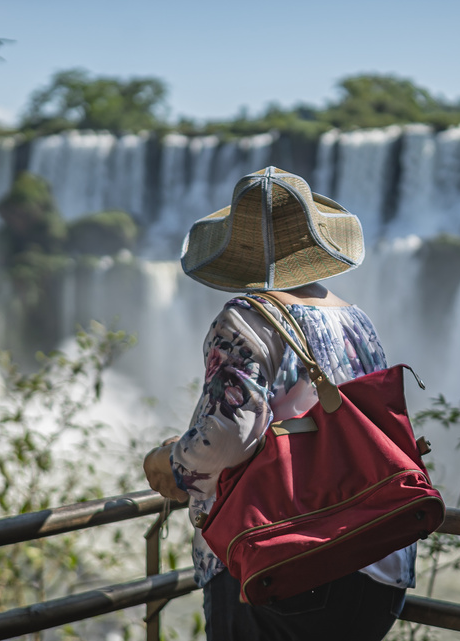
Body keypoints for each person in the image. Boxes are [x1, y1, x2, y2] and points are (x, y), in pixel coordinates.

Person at [143, 166, 413, 641]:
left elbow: (227, 437)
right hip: (375, 562)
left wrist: (171, 463)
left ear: (238, 251)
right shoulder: (356, 320)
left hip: (286, 565)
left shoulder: (246, 320)